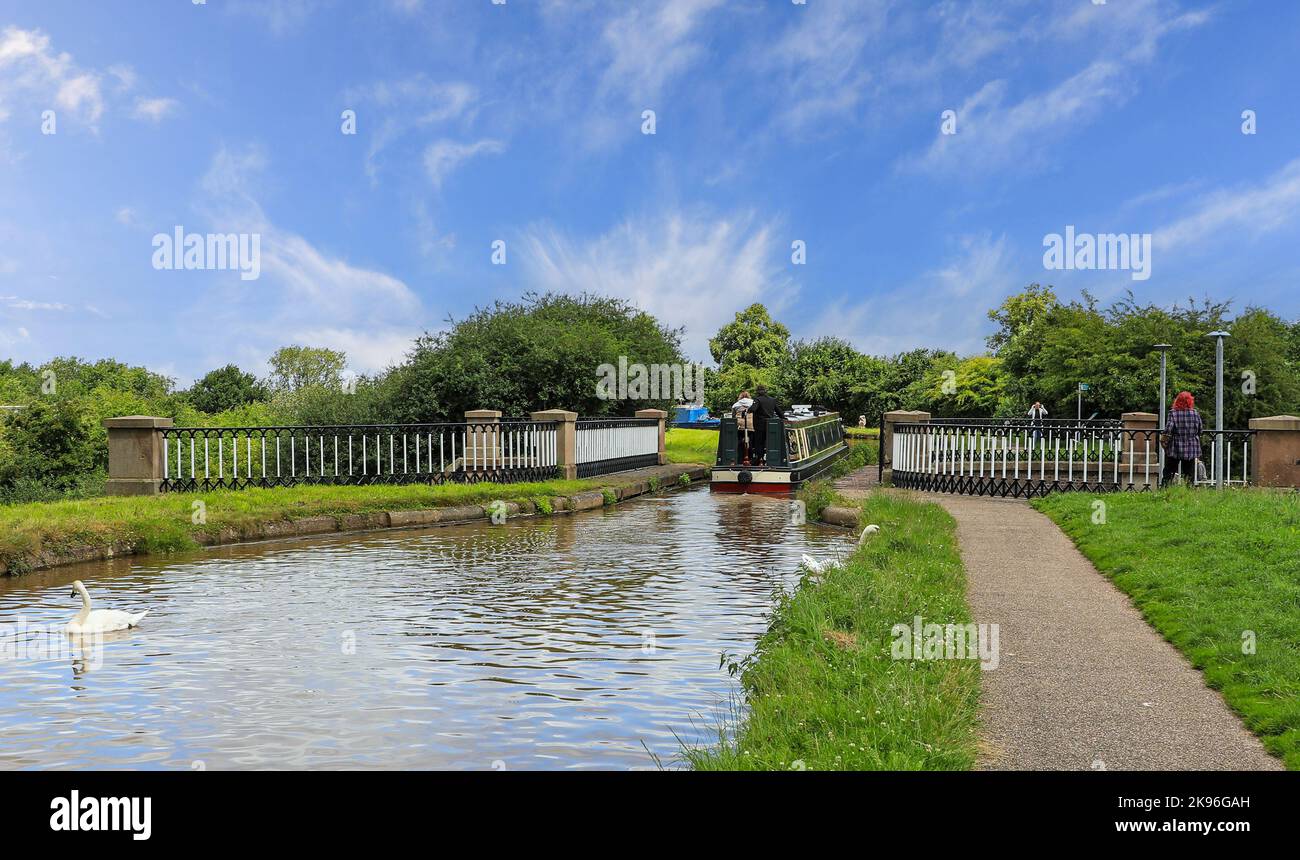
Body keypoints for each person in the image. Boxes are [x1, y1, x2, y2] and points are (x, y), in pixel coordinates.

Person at [1162, 390, 1203, 484]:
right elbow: (1200, 430)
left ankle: (1164, 489)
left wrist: (1163, 442)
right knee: (1189, 473)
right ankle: (1189, 491)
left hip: (1175, 446)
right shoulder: (1195, 413)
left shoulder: (1173, 413)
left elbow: (1168, 430)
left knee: (1169, 471)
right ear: (1190, 401)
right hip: (1191, 447)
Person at [749, 385, 783, 466]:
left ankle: (759, 460)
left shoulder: (757, 400)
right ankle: (771, 460)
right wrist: (784, 418)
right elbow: (779, 411)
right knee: (770, 443)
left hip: (759, 425)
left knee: (759, 443)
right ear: (765, 391)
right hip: (771, 426)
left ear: (757, 392)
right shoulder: (772, 400)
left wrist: (747, 410)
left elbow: (753, 409)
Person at [731, 391, 754, 464]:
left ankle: (740, 459)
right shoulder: (753, 403)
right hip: (751, 425)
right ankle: (751, 458)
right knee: (751, 442)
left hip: (740, 426)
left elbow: (733, 416)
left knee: (740, 441)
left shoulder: (736, 405)